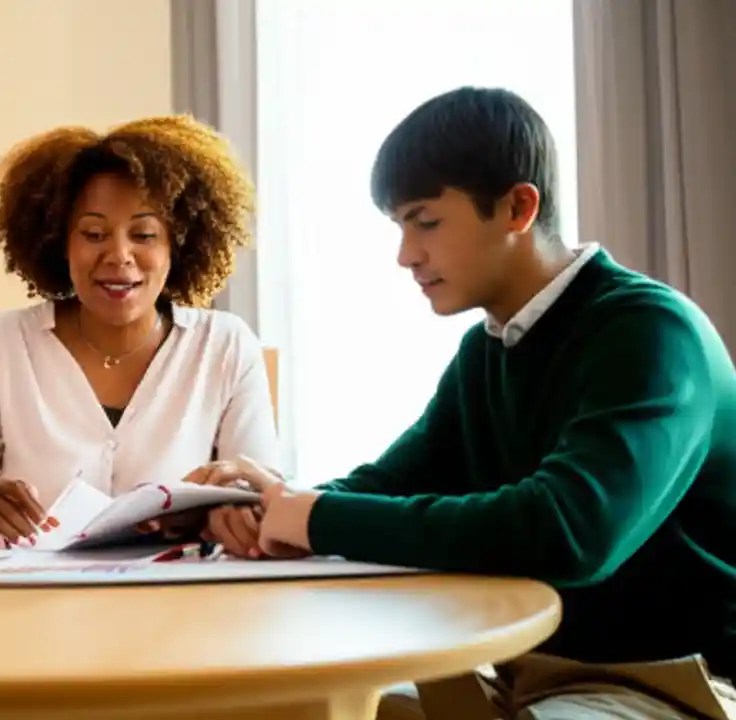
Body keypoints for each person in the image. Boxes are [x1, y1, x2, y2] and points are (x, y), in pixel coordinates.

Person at [207, 87, 736, 719]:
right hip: (523, 669)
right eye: (400, 226)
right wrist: (266, 509)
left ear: (517, 207)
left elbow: (568, 532)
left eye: (425, 222)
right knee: (283, 704)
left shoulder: (649, 333)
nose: (406, 255)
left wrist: (313, 518)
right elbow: (390, 483)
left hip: (669, 680)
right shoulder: (488, 350)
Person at [0, 115, 280, 549]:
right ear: (59, 242)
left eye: (144, 234)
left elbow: (259, 487)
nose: (119, 255)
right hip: (31, 605)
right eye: (93, 233)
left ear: (178, 244)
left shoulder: (225, 344)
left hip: (184, 601)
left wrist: (232, 510)